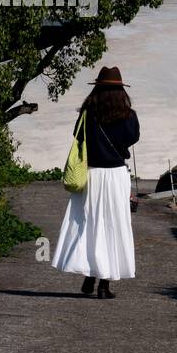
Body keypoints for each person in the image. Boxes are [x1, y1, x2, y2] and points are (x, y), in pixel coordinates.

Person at [52, 65, 139, 299]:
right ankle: (104, 285)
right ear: (122, 90)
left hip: (91, 175)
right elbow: (133, 138)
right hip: (116, 176)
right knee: (113, 226)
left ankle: (89, 277)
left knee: (89, 225)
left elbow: (78, 137)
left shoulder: (87, 114)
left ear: (97, 89)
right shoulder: (128, 115)